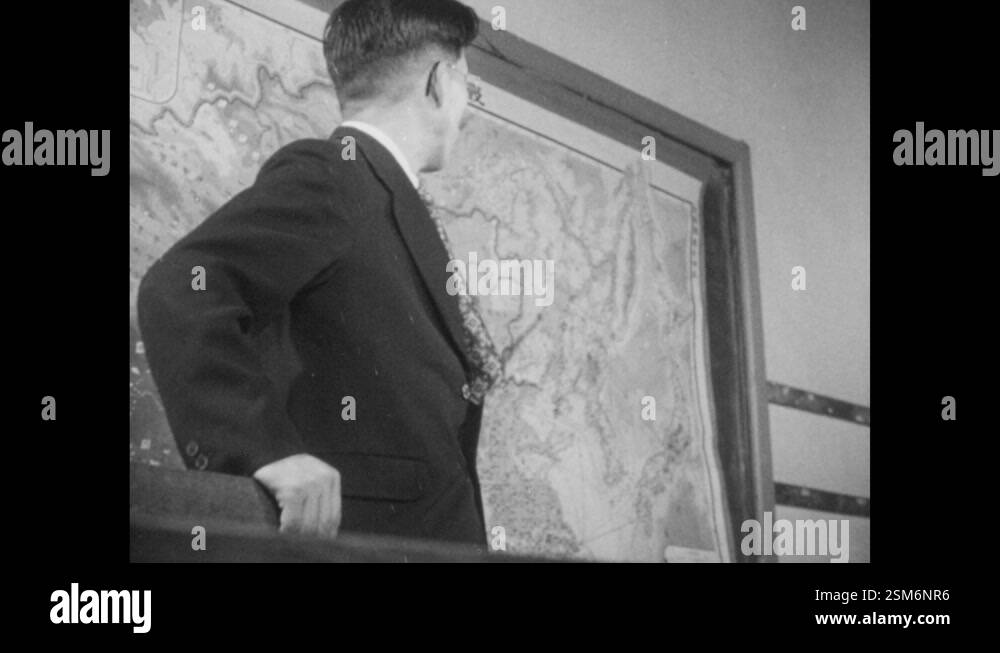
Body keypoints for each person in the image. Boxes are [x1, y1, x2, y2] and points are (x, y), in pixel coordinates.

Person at [137, 0, 495, 548]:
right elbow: (180, 287)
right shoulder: (336, 175)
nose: (468, 110)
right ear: (440, 81)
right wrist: (261, 452)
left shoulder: (379, 192)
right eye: (469, 87)